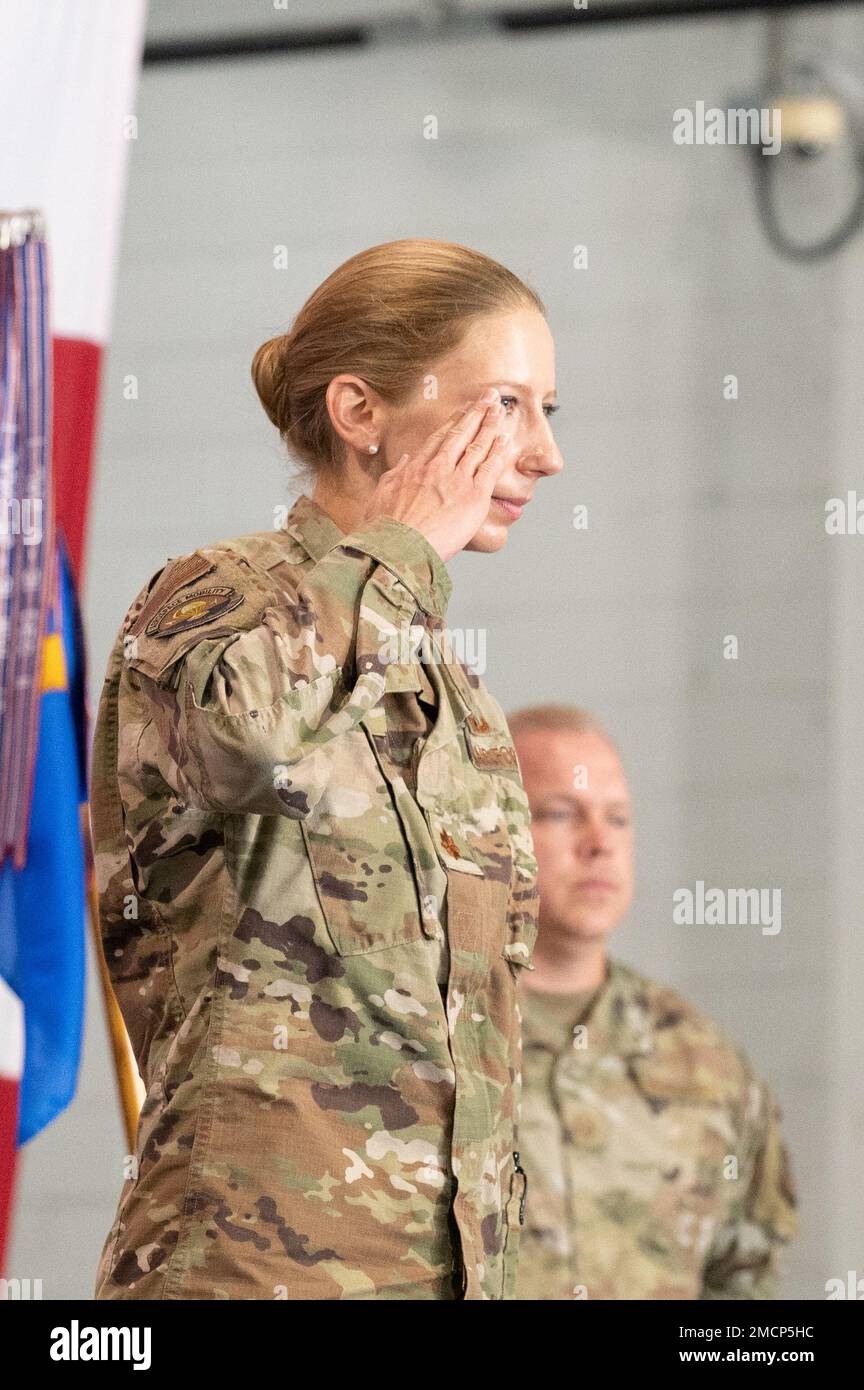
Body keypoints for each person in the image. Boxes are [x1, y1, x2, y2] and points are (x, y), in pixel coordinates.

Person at [90, 238, 563, 1300]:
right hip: (247, 1271)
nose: (542, 453)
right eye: (505, 404)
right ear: (359, 412)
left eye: (548, 411)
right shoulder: (218, 594)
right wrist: (400, 549)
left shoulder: (455, 697)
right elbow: (249, 736)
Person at [506, 705, 799, 1300]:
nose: (599, 844)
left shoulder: (706, 1062)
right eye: (561, 813)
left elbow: (746, 1277)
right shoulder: (422, 1040)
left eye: (618, 819)